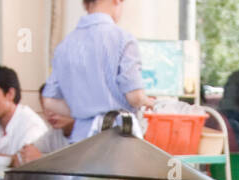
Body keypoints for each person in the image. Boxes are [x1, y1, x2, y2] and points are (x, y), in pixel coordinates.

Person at [42, 0, 155, 144]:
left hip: (81, 142)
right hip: (119, 142)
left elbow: (49, 101)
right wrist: (150, 103)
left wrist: (84, 111)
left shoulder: (65, 45)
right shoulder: (123, 39)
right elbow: (135, 97)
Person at [16, 86, 76, 165]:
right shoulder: (54, 133)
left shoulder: (92, 130)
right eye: (45, 107)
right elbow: (26, 154)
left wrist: (42, 160)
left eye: (55, 104)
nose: (49, 113)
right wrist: (27, 153)